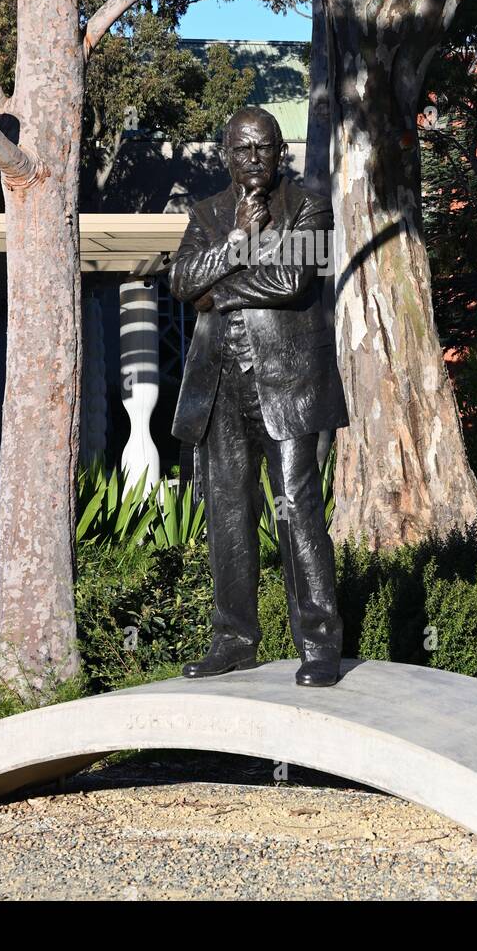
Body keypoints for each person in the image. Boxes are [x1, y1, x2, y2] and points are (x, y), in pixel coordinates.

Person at [169, 105, 347, 687]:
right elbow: (180, 281)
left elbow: (292, 282)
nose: (254, 159)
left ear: (279, 153)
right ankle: (234, 639)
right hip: (220, 386)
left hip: (288, 385)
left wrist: (217, 293)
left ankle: (320, 642)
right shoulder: (208, 214)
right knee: (226, 512)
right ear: (226, 154)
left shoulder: (308, 206)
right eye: (242, 149)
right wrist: (238, 243)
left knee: (297, 509)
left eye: (264, 148)